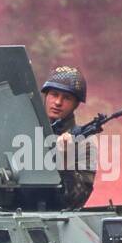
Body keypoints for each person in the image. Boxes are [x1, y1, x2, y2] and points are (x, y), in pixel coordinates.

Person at [41, 65, 96, 209]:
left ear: (76, 104)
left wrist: (66, 162)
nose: (58, 102)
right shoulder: (22, 129)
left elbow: (75, 202)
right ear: (45, 96)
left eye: (66, 98)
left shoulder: (84, 143)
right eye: (54, 94)